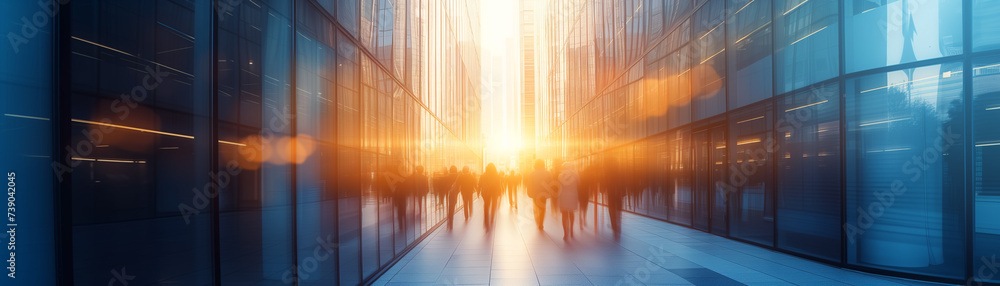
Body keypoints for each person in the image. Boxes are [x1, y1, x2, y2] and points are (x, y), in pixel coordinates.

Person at [527, 159, 554, 230]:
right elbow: (551, 183)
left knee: (536, 207)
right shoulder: (547, 173)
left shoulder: (532, 174)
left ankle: (537, 220)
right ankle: (541, 223)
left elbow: (529, 184)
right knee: (543, 208)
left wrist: (529, 193)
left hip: (535, 194)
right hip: (543, 194)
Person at [558, 162, 580, 240]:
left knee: (564, 214)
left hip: (563, 195)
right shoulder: (576, 175)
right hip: (573, 195)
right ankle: (571, 230)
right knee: (571, 213)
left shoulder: (560, 176)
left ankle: (565, 233)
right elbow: (579, 184)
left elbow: (559, 186)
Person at [604, 159, 624, 241]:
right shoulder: (621, 173)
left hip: (611, 194)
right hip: (618, 194)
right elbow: (623, 183)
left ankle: (614, 226)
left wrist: (604, 191)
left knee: (611, 210)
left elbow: (605, 184)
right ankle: (618, 224)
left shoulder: (608, 173)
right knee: (618, 210)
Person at [479, 163, 503, 230]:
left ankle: (486, 222)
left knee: (486, 206)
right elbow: (499, 184)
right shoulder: (496, 175)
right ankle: (492, 218)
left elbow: (480, 183)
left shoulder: (484, 175)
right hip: (494, 192)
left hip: (486, 192)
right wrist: (500, 192)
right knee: (494, 205)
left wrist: (478, 191)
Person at [578, 163, 598, 228]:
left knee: (581, 207)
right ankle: (584, 219)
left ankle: (581, 219)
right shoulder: (588, 177)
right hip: (585, 194)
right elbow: (590, 186)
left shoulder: (580, 176)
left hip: (580, 194)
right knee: (585, 207)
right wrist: (591, 193)